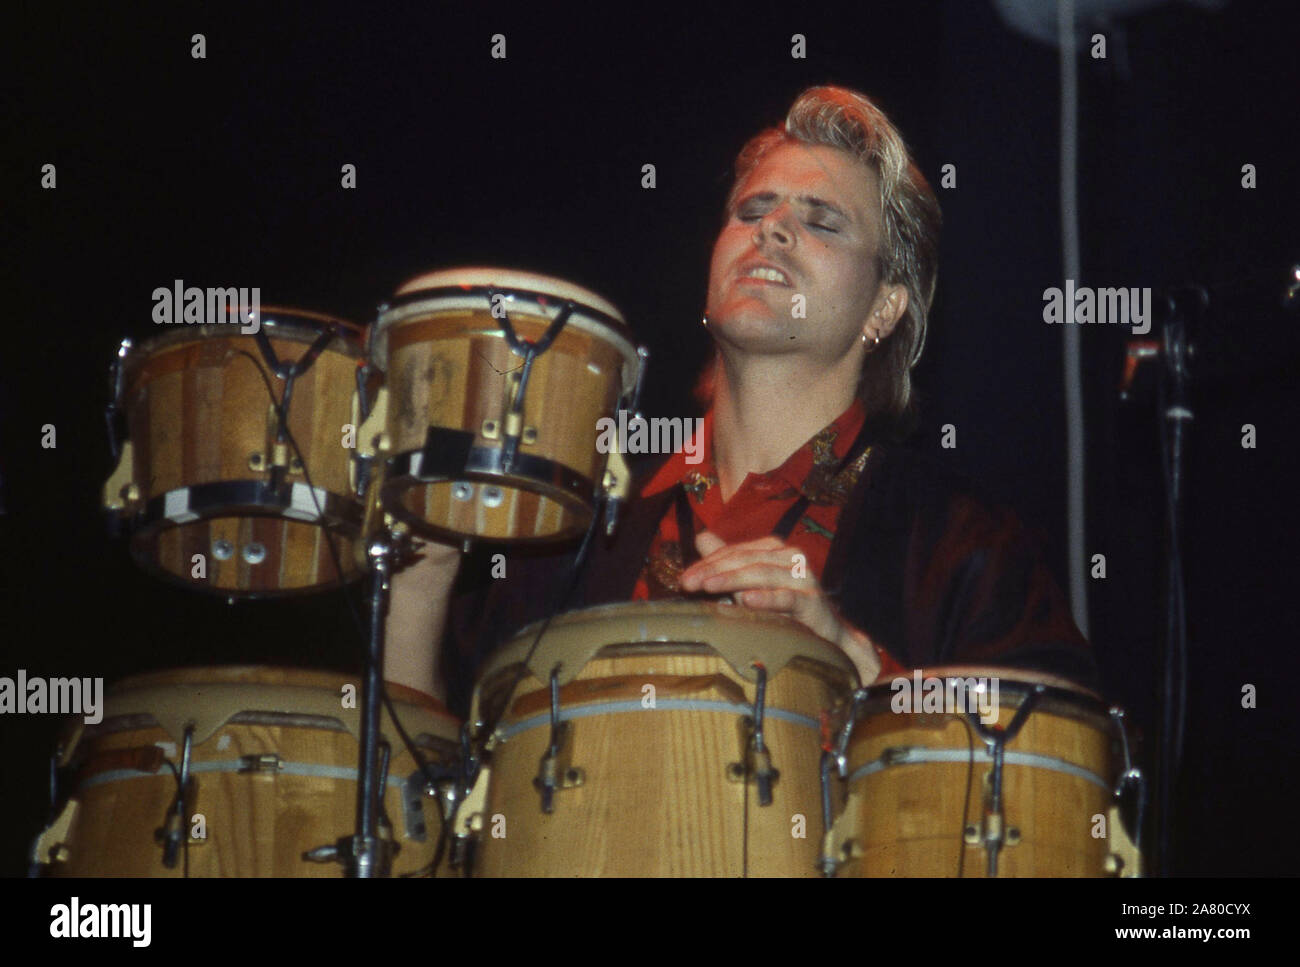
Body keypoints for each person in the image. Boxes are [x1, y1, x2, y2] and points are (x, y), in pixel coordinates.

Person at [384, 85, 1093, 714]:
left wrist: (859, 662)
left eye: (822, 221)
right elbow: (425, 815)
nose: (773, 227)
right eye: (753, 208)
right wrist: (423, 580)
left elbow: (1049, 785)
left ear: (884, 308)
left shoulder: (963, 546)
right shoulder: (568, 537)